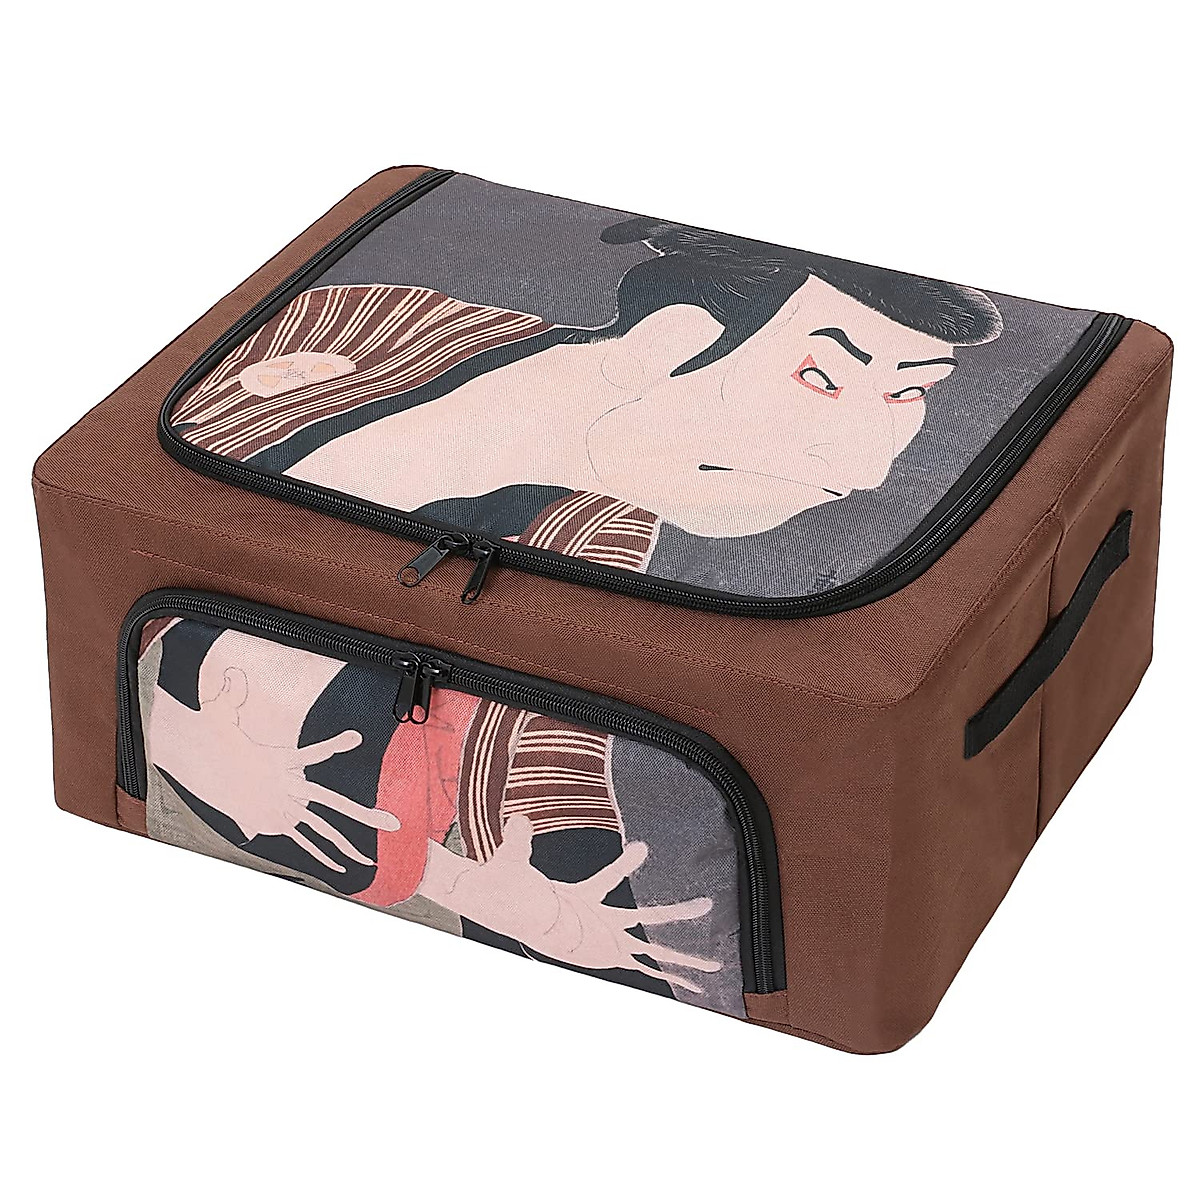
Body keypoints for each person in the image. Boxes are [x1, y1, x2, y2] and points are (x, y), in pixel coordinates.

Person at [150, 218, 1003, 1010]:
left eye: (908, 395)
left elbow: (520, 780)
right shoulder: (347, 326)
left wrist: (474, 893)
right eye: (820, 377)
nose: (866, 468)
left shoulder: (602, 540)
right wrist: (184, 740)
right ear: (670, 340)